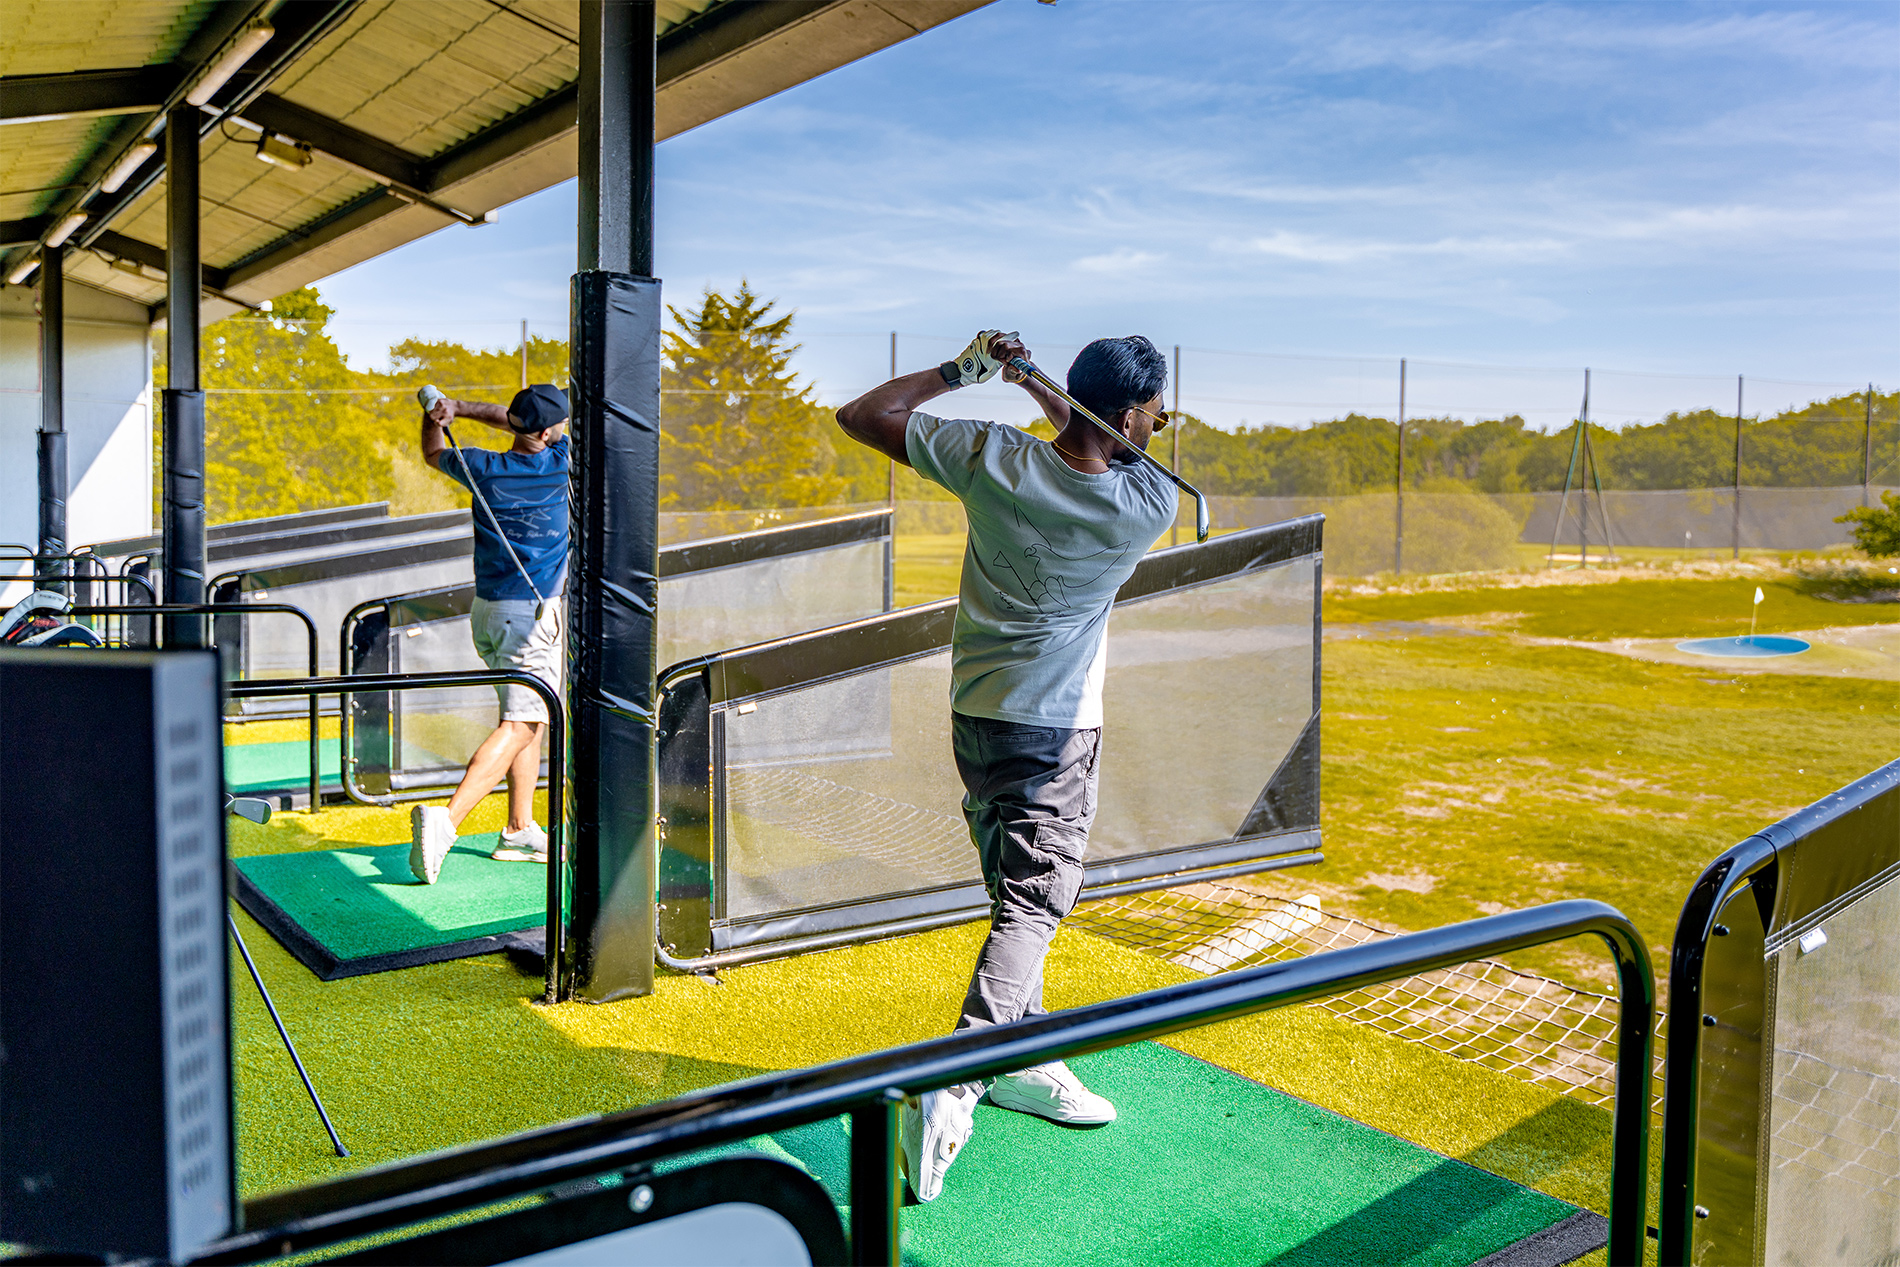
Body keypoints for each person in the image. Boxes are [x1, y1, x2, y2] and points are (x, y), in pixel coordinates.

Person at [835, 330, 1178, 1202]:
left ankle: (1027, 1058)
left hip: (978, 715)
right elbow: (1101, 444)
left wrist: (977, 373)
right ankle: (955, 1086)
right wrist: (1042, 386)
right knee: (1034, 905)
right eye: (1155, 412)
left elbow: (865, 414)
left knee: (1010, 898)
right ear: (1134, 414)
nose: (1161, 424)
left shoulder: (987, 454)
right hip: (1057, 732)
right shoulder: (1147, 502)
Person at [408, 383, 571, 885]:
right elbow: (510, 419)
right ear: (547, 432)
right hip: (530, 621)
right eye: (559, 423)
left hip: (488, 612)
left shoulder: (482, 468)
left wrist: (442, 415)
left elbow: (434, 451)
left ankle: (519, 828)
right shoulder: (563, 463)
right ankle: (447, 821)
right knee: (522, 724)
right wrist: (464, 409)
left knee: (528, 716)